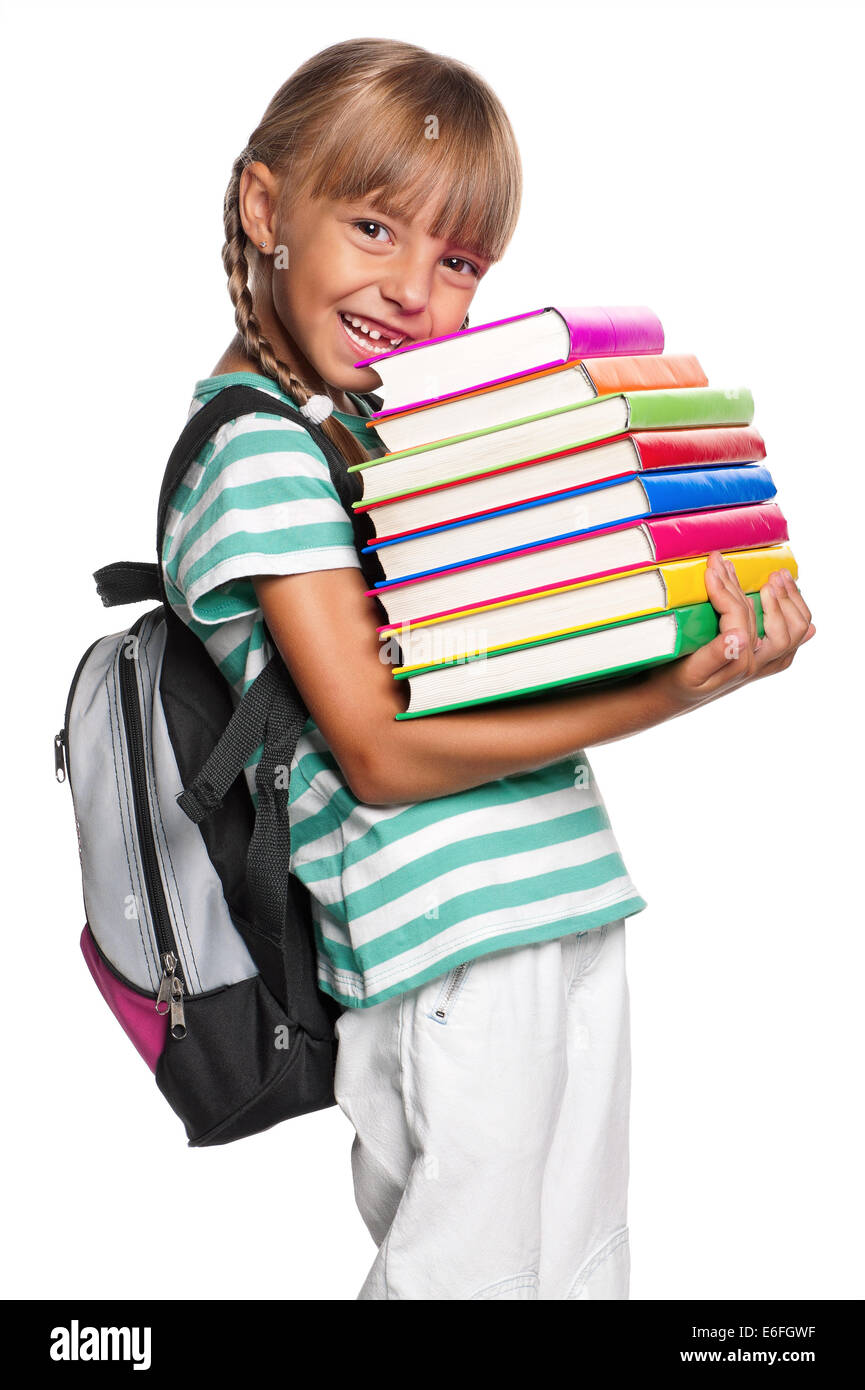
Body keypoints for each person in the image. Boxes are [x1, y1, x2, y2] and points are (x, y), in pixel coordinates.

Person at [160, 37, 815, 1301]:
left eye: (457, 260)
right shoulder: (255, 451)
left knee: (574, 1277)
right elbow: (381, 753)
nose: (413, 288)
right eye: (371, 226)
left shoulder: (366, 433)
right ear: (265, 209)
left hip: (551, 908)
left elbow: (476, 662)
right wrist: (667, 693)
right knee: (464, 1283)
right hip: (444, 944)